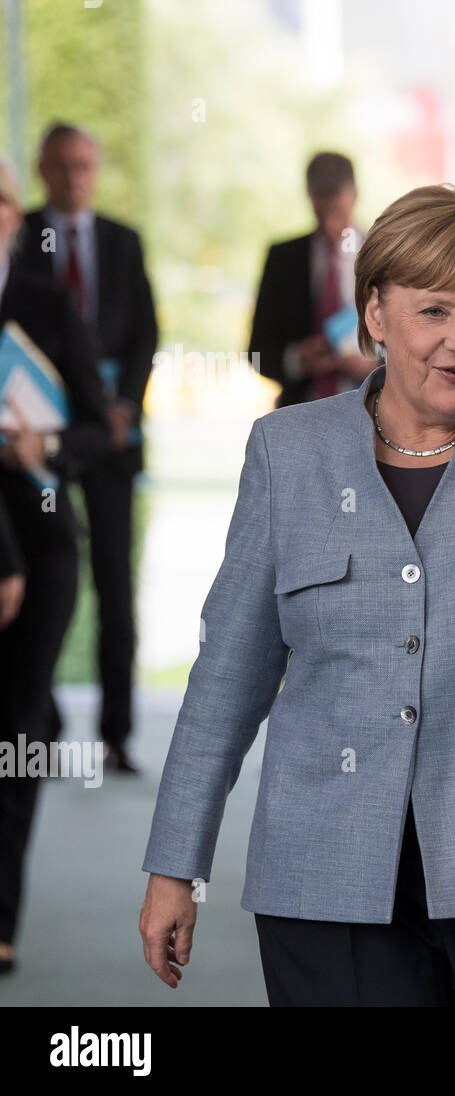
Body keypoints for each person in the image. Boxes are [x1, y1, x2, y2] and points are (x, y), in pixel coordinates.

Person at [139, 183, 455, 1006]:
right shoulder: (287, 452)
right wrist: (174, 865)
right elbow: (227, 677)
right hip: (327, 877)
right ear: (374, 313)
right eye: (434, 311)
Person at [14, 121, 159, 774]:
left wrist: (122, 408)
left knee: (114, 586)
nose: (75, 177)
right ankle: (37, 724)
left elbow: (145, 336)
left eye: (84, 165)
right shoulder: (20, 237)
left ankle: (117, 734)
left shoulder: (123, 242)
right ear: (42, 169)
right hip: (34, 443)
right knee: (40, 571)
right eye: (62, 165)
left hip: (113, 440)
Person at [0, 156, 111, 975]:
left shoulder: (44, 302)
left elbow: (100, 427)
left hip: (40, 540)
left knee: (17, 730)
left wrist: (51, 448)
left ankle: (0, 917)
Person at [249, 151, 373, 407]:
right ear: (309, 197)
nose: (329, 223)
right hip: (300, 410)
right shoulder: (283, 259)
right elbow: (257, 353)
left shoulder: (384, 255)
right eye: (321, 209)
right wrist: (297, 360)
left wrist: (376, 366)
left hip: (372, 412)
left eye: (337, 210)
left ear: (355, 196)